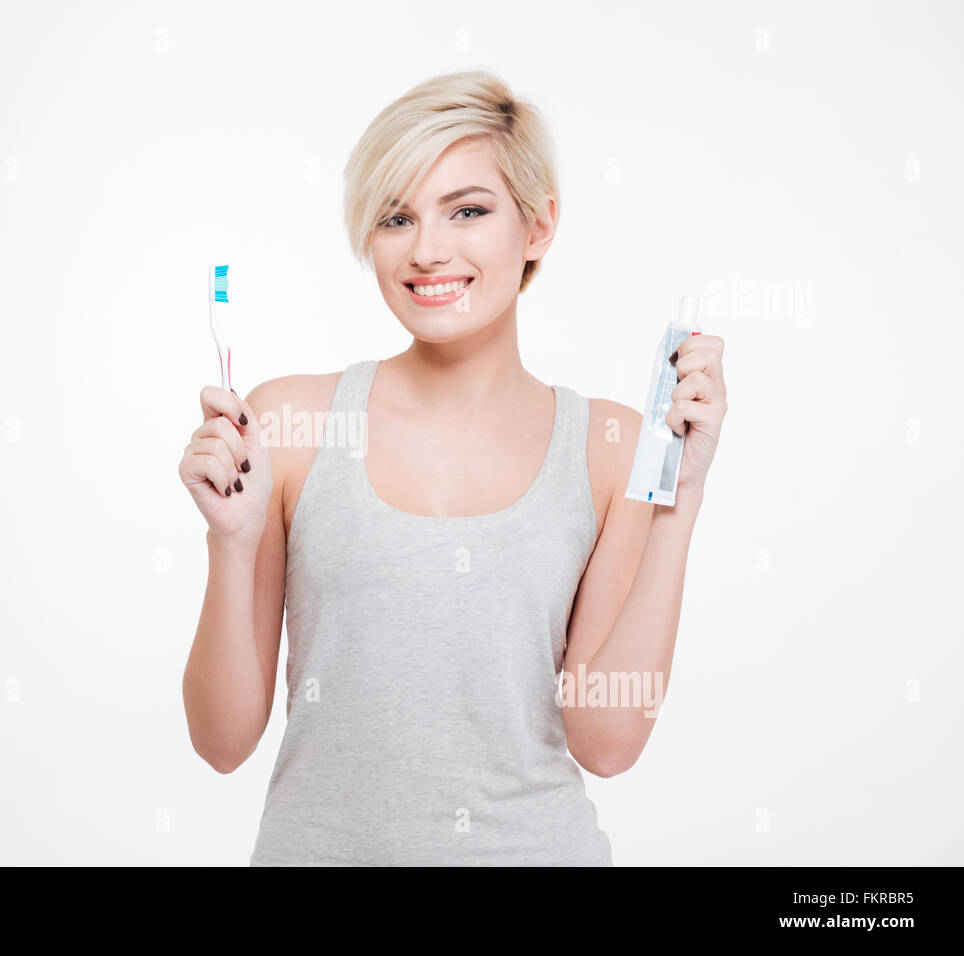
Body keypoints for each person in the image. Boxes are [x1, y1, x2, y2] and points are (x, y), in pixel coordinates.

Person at [178, 70, 728, 865]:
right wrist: (230, 541)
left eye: (468, 211)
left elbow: (607, 743)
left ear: (537, 226)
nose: (428, 250)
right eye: (396, 217)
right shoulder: (289, 426)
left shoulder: (610, 447)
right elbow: (221, 741)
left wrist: (683, 493)